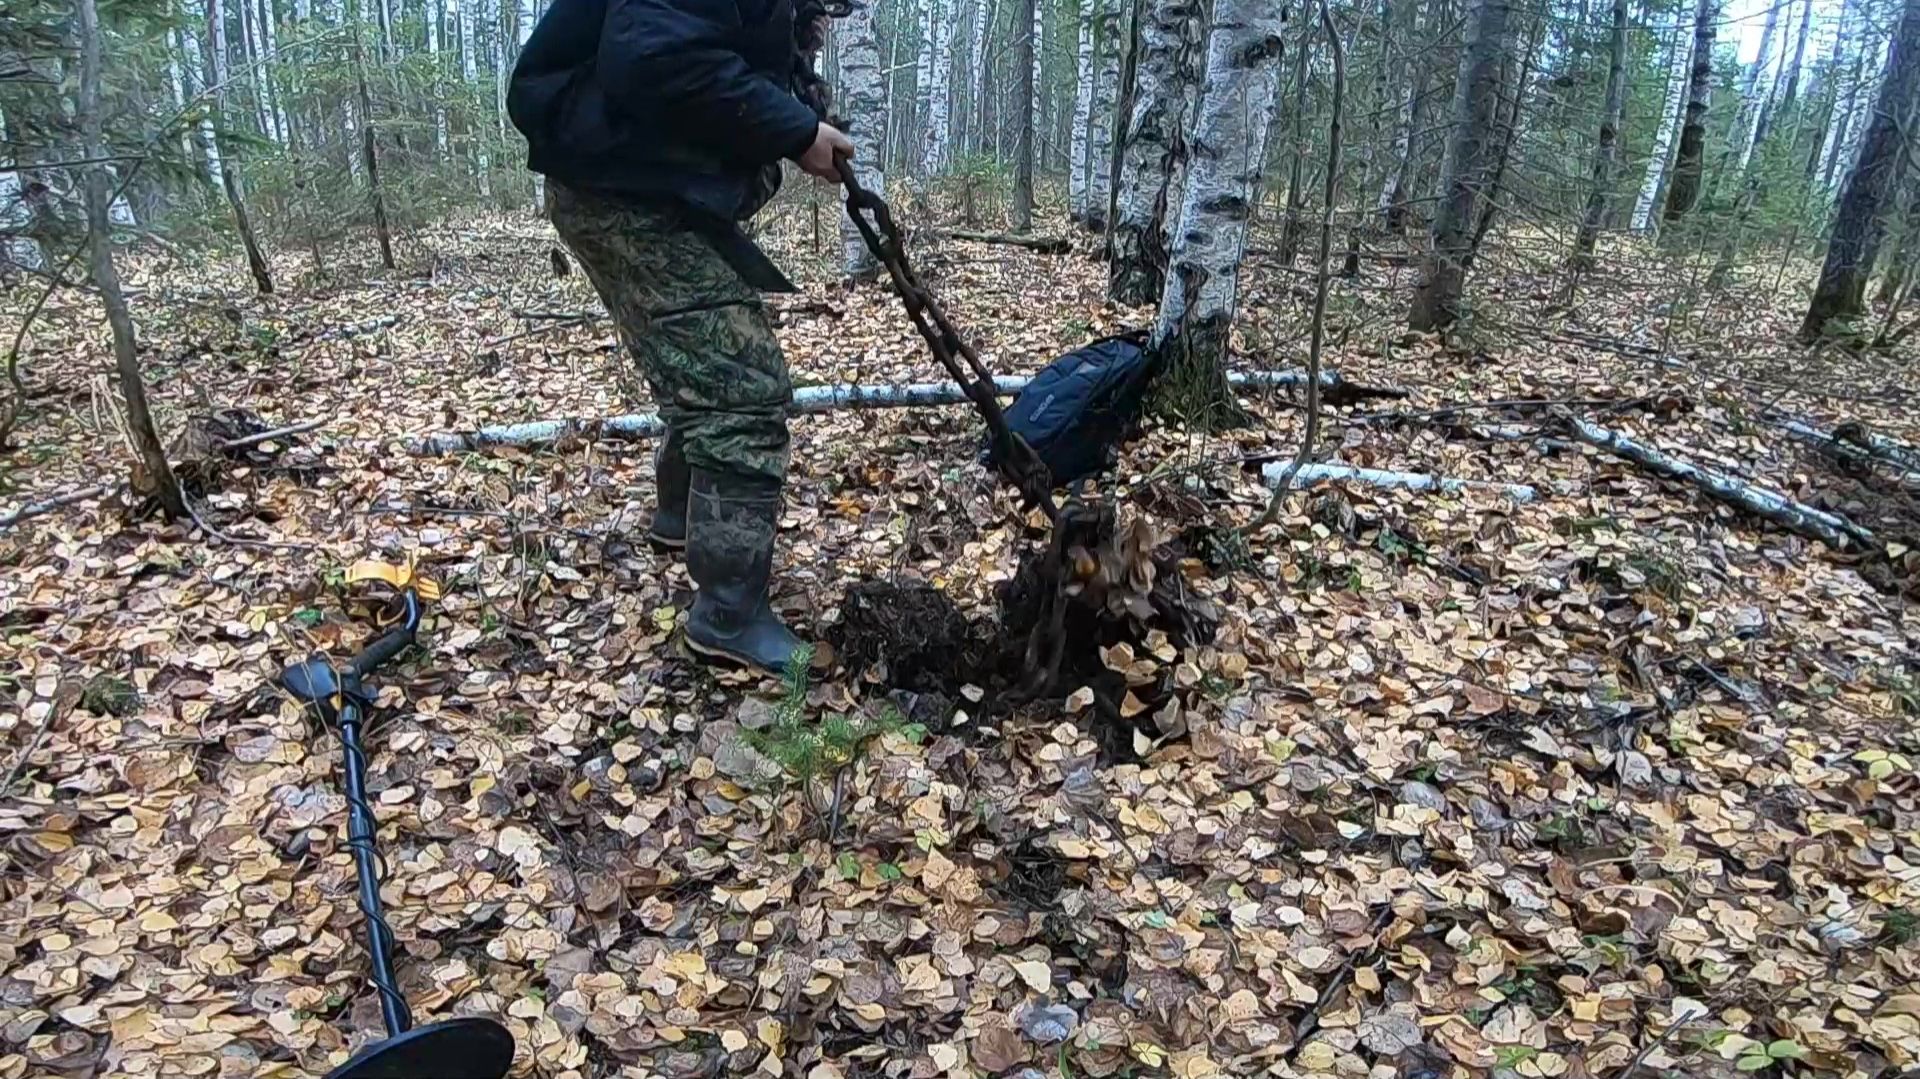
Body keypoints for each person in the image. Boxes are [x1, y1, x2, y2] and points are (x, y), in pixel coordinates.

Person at [507, 0, 852, 674]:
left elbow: (719, 47)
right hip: (620, 190)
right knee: (739, 385)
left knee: (705, 363)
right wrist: (795, 129)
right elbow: (651, 55)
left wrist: (798, 103)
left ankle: (680, 518)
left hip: (648, 184)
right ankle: (728, 614)